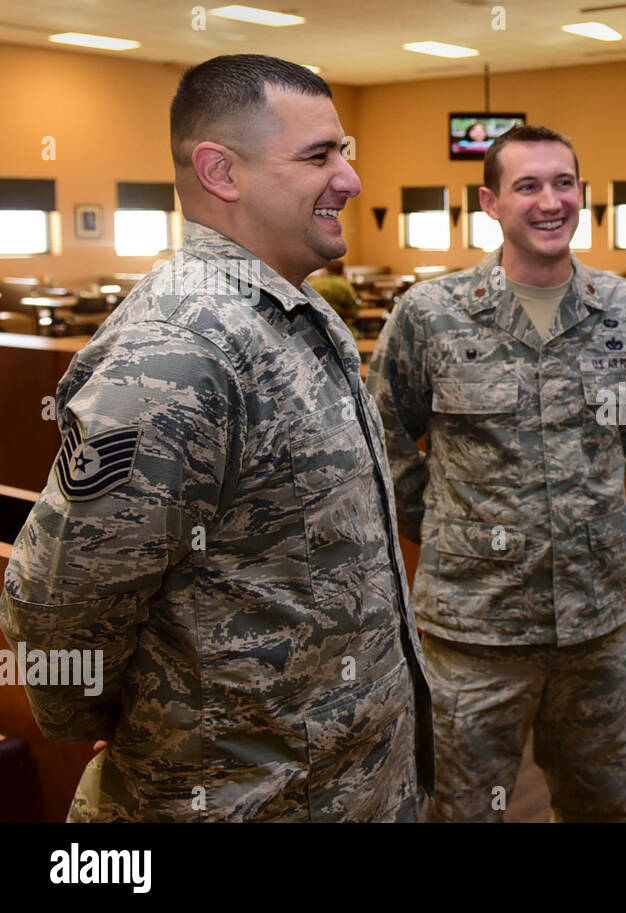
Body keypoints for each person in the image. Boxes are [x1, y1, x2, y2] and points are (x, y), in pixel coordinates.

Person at [0, 54, 435, 822]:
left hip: (350, 785)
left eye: (344, 152)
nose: (350, 180)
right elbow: (58, 601)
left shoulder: (300, 316)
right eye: (318, 156)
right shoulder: (175, 349)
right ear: (220, 172)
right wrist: (120, 721)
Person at [367, 124, 626, 822]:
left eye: (564, 183)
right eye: (527, 185)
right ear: (490, 202)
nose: (549, 200)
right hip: (475, 633)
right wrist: (442, 525)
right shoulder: (431, 315)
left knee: (605, 809)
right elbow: (388, 440)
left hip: (594, 623)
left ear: (583, 194)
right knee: (461, 812)